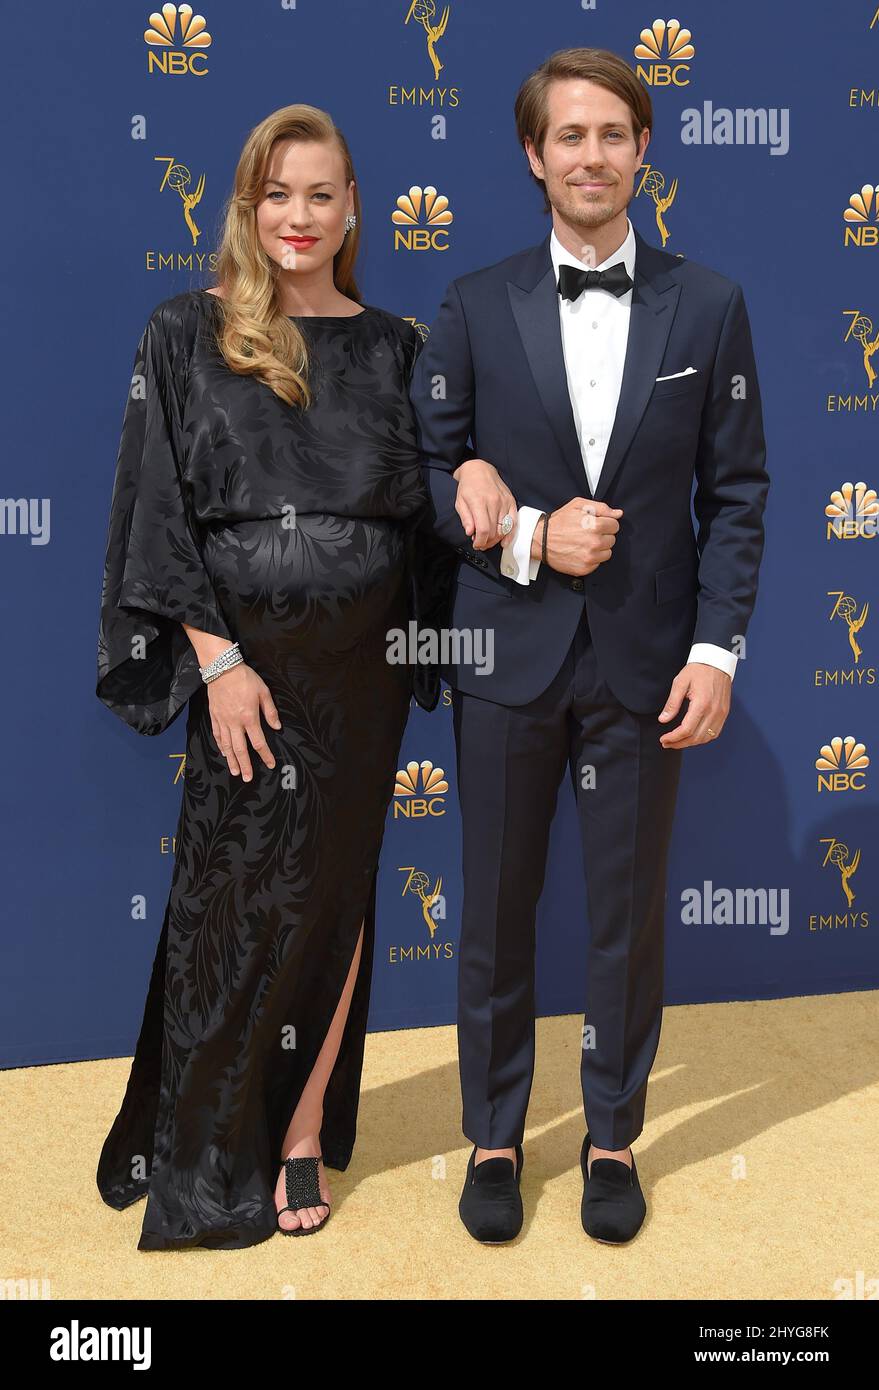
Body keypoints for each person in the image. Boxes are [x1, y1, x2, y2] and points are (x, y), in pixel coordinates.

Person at [409, 47, 770, 1244]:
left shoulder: (709, 305)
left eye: (614, 134)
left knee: (625, 915)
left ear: (644, 152)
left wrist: (716, 654)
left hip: (645, 664)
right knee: (497, 912)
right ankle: (495, 1136)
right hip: (508, 660)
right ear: (534, 156)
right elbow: (426, 475)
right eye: (570, 136)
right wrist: (523, 534)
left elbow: (741, 491)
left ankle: (612, 1135)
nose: (592, 156)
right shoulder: (471, 302)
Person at [95, 104, 453, 1249]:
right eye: (277, 195)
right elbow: (158, 508)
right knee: (228, 904)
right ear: (248, 209)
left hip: (365, 683)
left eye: (322, 195)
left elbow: (433, 502)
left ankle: (298, 1131)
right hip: (246, 676)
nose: (299, 217)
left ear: (353, 209)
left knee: (336, 906)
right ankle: (201, 1148)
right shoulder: (184, 332)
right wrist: (219, 661)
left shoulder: (398, 345)